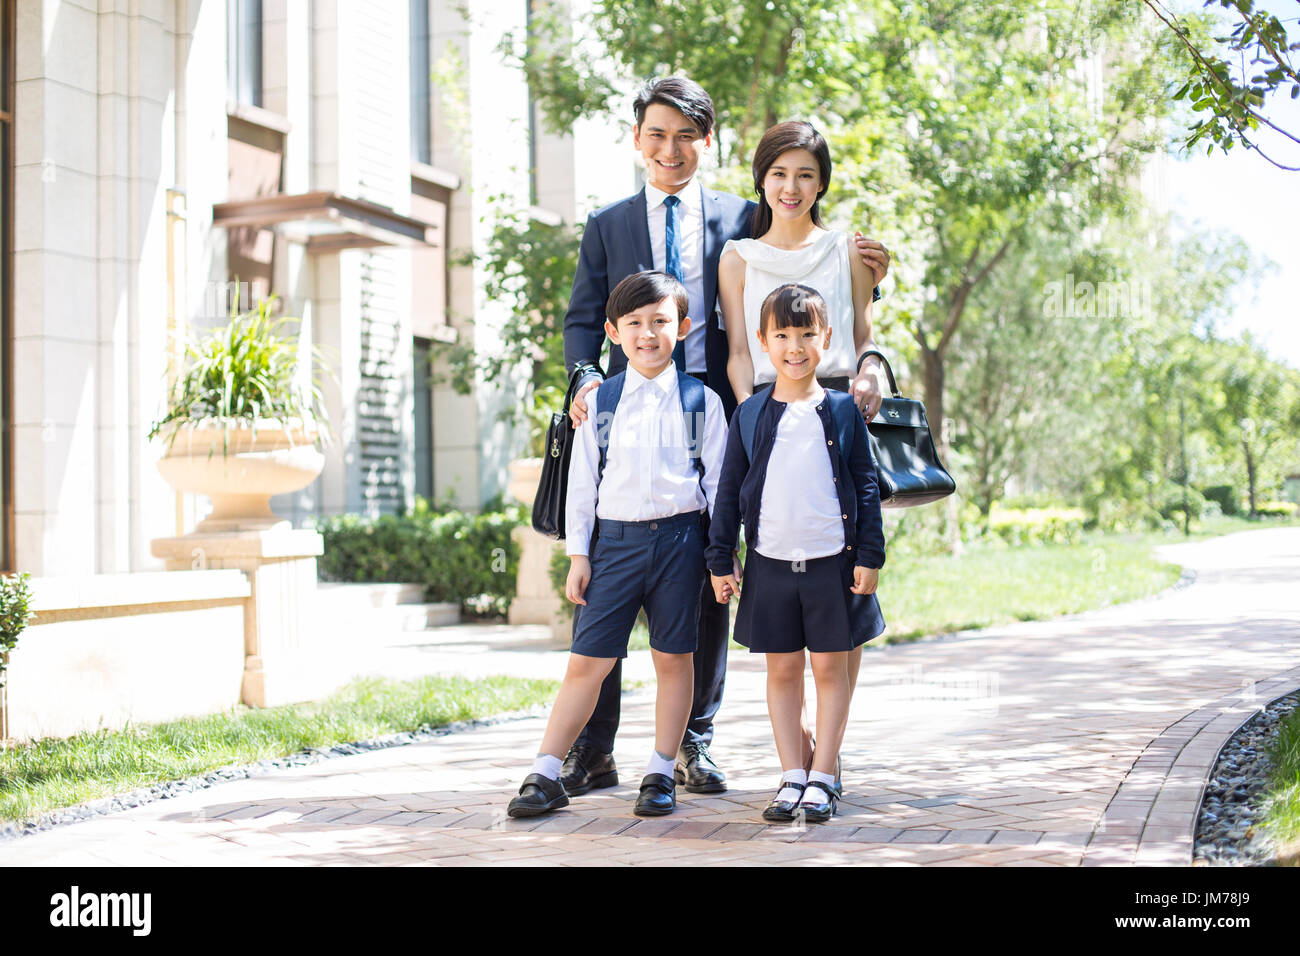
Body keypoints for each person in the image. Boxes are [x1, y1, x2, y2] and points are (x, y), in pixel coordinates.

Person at [561, 76, 892, 796]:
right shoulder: (607, 224)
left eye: (686, 136)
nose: (671, 149)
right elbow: (583, 320)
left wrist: (874, 276)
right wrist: (587, 378)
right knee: (611, 573)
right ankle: (595, 746)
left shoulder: (743, 215)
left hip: (723, 405)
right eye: (657, 134)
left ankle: (696, 742)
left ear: (707, 143)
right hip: (640, 410)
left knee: (712, 572)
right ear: (638, 140)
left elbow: (803, 274)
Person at [508, 271, 727, 819]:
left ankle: (659, 771)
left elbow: (720, 488)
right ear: (612, 331)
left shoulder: (703, 401)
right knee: (587, 661)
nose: (647, 334)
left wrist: (723, 557)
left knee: (674, 658)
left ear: (683, 326)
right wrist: (579, 556)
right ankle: (547, 771)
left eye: (660, 322)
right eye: (634, 324)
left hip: (682, 542)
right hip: (614, 547)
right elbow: (583, 486)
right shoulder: (600, 401)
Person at [717, 120, 890, 792]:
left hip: (836, 412)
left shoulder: (848, 248)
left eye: (806, 175)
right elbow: (737, 351)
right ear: (761, 177)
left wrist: (870, 367)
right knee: (784, 602)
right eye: (780, 173)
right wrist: (749, 424)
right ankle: (807, 761)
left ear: (822, 183)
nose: (792, 187)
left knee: (842, 593)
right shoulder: (738, 256)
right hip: (765, 416)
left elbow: (862, 335)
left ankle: (829, 757)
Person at [707, 284, 886, 823]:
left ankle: (825, 774)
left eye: (807, 334)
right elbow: (729, 489)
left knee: (831, 670)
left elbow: (866, 482)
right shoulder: (751, 415)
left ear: (826, 338)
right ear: (763, 341)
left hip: (833, 562)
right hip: (769, 566)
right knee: (782, 672)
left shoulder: (841, 411)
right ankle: (791, 773)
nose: (795, 346)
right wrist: (720, 559)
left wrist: (870, 555)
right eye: (782, 334)